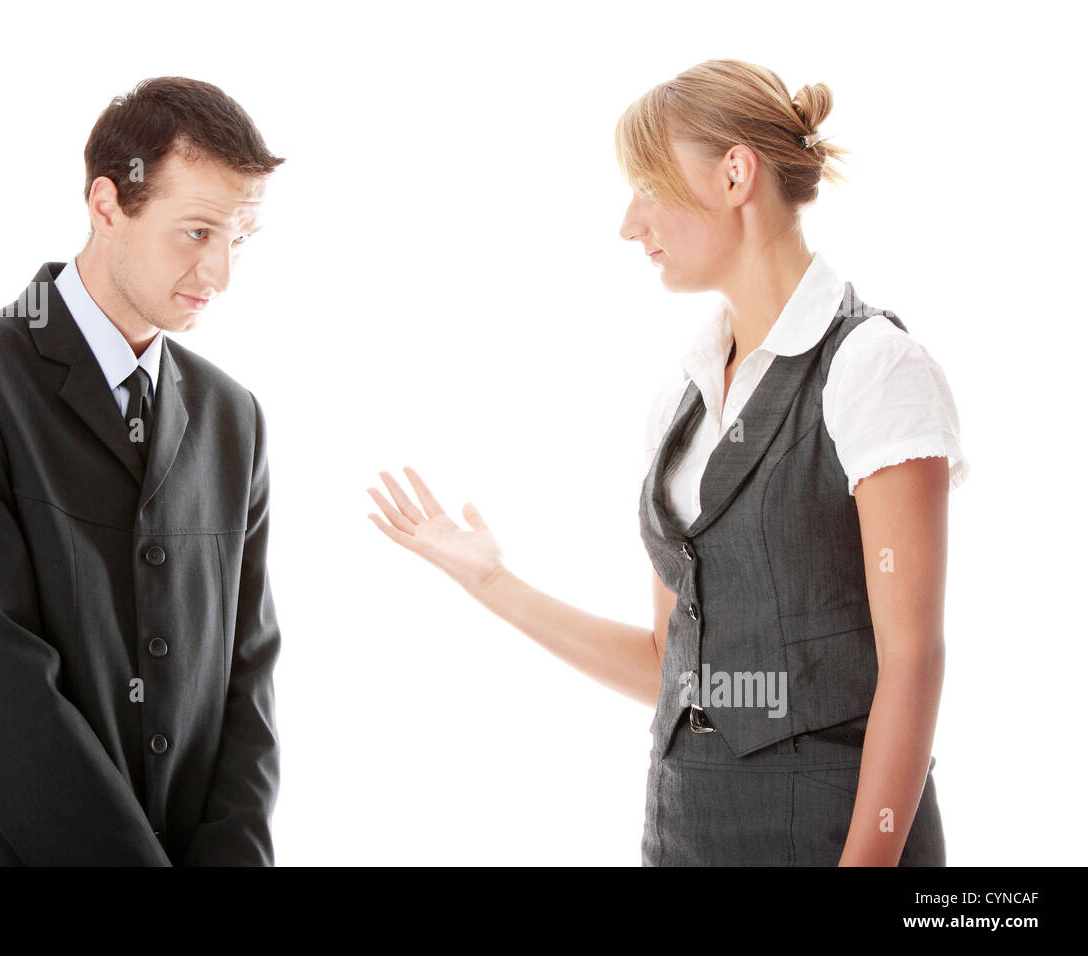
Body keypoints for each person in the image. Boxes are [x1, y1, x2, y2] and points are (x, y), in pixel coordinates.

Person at [366, 59, 967, 866]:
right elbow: (668, 669)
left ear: (734, 175)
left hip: (831, 837)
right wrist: (489, 580)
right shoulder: (683, 397)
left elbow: (912, 659)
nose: (628, 222)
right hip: (682, 828)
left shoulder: (873, 369)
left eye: (648, 183)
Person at [0, 76, 284, 865]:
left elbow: (249, 682)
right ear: (107, 204)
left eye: (241, 239)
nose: (222, 274)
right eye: (198, 232)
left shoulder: (235, 417)